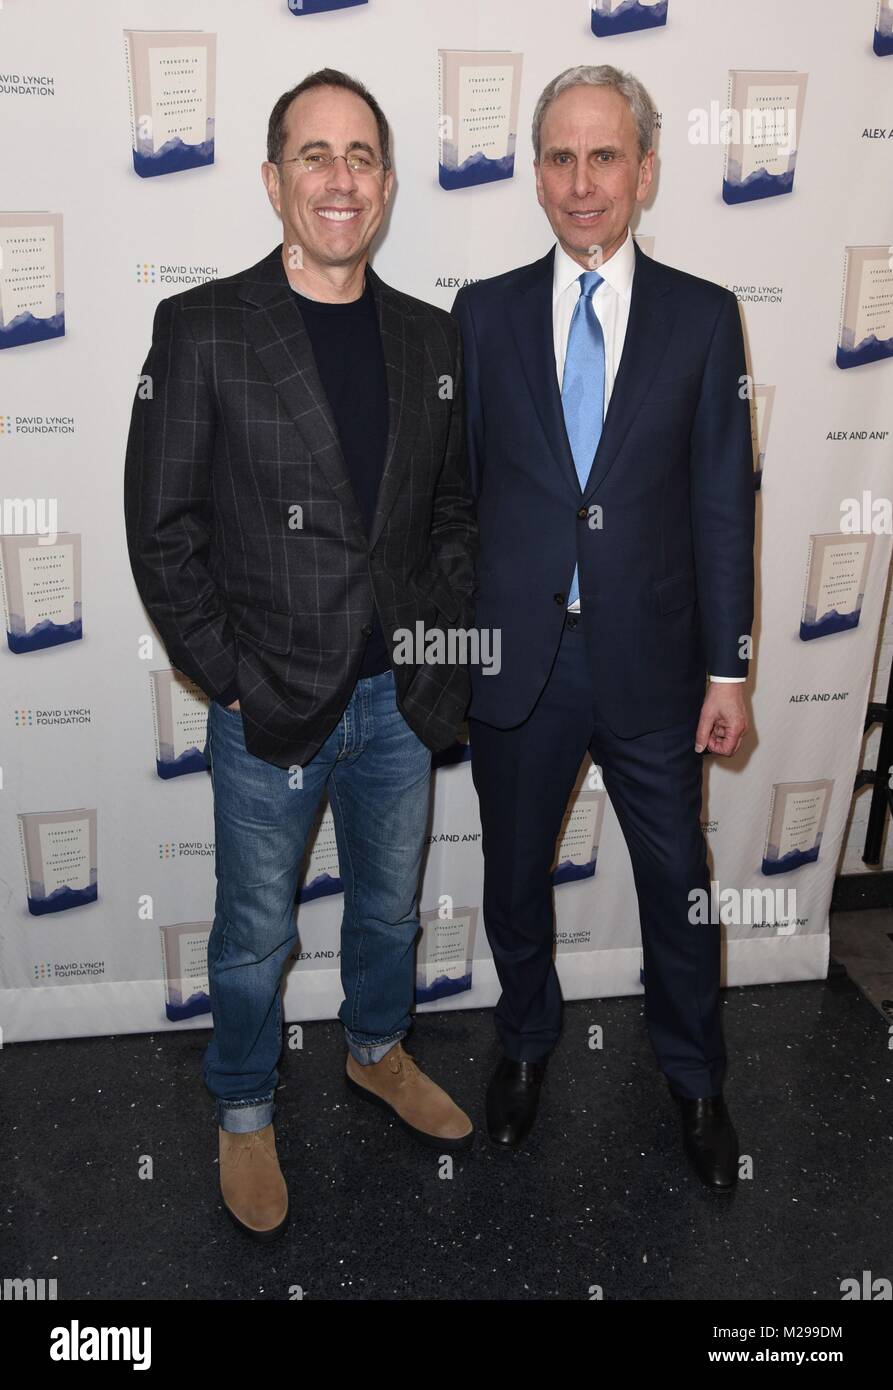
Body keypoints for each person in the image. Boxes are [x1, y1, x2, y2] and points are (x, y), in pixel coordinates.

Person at [125, 68, 477, 1240]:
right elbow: (161, 529)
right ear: (275, 180)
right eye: (314, 155)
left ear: (383, 183)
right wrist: (225, 672)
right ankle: (240, 1107)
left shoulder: (431, 337)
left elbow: (454, 518)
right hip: (266, 702)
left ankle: (375, 1049)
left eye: (360, 155)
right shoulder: (205, 326)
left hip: (397, 703)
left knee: (385, 914)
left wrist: (435, 647)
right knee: (254, 935)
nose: (340, 177)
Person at [452, 64, 755, 1189]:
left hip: (655, 666)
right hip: (518, 665)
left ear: (644, 170)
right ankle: (525, 1042)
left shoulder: (700, 316)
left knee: (678, 882)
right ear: (536, 171)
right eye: (560, 158)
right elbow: (459, 500)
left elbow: (723, 505)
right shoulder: (480, 315)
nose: (582, 183)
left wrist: (727, 671)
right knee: (512, 880)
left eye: (605, 156)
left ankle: (692, 1074)